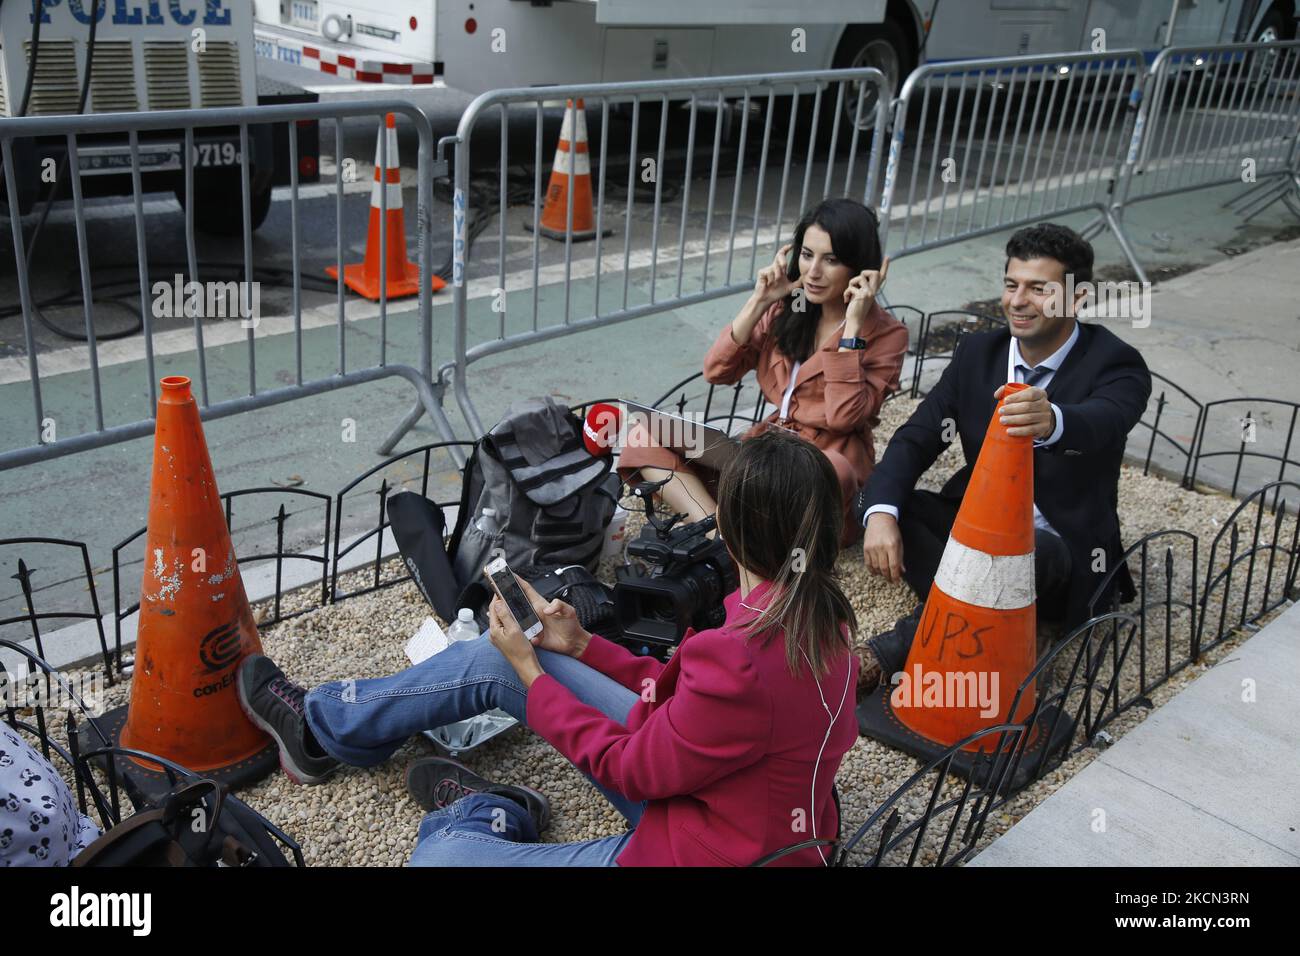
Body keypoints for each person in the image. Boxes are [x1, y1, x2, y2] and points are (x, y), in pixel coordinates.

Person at [238, 429, 860, 866]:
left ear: (728, 527)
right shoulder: (823, 619)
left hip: (706, 844)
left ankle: (490, 810)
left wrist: (535, 680)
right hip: (743, 815)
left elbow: (630, 767)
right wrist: (584, 644)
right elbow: (680, 704)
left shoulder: (740, 655)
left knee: (439, 859)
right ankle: (322, 729)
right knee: (495, 654)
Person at [855, 223, 1151, 687]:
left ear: (1077, 298)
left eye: (1038, 289)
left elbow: (1107, 420)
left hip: (1058, 548)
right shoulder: (978, 352)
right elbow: (918, 436)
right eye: (1011, 285)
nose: (1017, 300)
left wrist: (1053, 419)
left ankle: (883, 657)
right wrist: (880, 516)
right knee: (884, 501)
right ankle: (994, 614)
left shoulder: (1116, 363)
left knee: (1027, 557)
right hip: (977, 524)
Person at [618, 197, 908, 547]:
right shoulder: (788, 309)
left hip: (823, 472)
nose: (813, 271)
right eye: (806, 254)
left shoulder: (886, 333)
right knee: (644, 436)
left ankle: (756, 539)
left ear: (859, 267)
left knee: (833, 469)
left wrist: (853, 329)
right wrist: (760, 301)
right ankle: (720, 535)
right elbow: (716, 371)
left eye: (830, 260)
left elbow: (844, 416)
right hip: (763, 456)